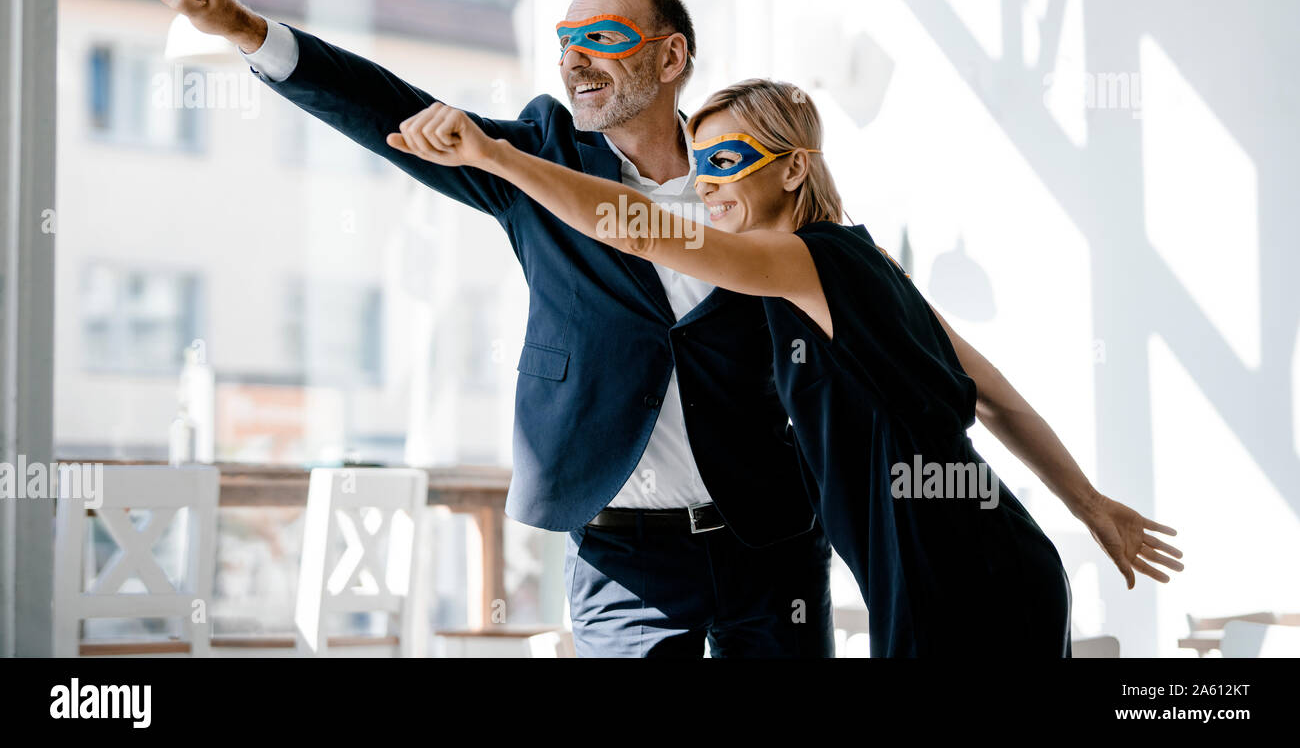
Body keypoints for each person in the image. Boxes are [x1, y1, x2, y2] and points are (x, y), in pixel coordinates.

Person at [158, 0, 834, 657]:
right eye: (565, 40)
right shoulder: (536, 159)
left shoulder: (741, 171)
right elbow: (391, 109)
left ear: (670, 57)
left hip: (770, 536)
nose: (574, 59)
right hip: (625, 557)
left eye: (600, 37)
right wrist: (246, 30)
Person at [386, 78, 1186, 656]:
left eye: (731, 157)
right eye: (703, 161)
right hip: (983, 556)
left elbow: (634, 229)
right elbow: (999, 402)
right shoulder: (862, 263)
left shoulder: (806, 261)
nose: (710, 182)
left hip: (954, 574)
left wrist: (498, 158)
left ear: (794, 168)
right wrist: (1089, 506)